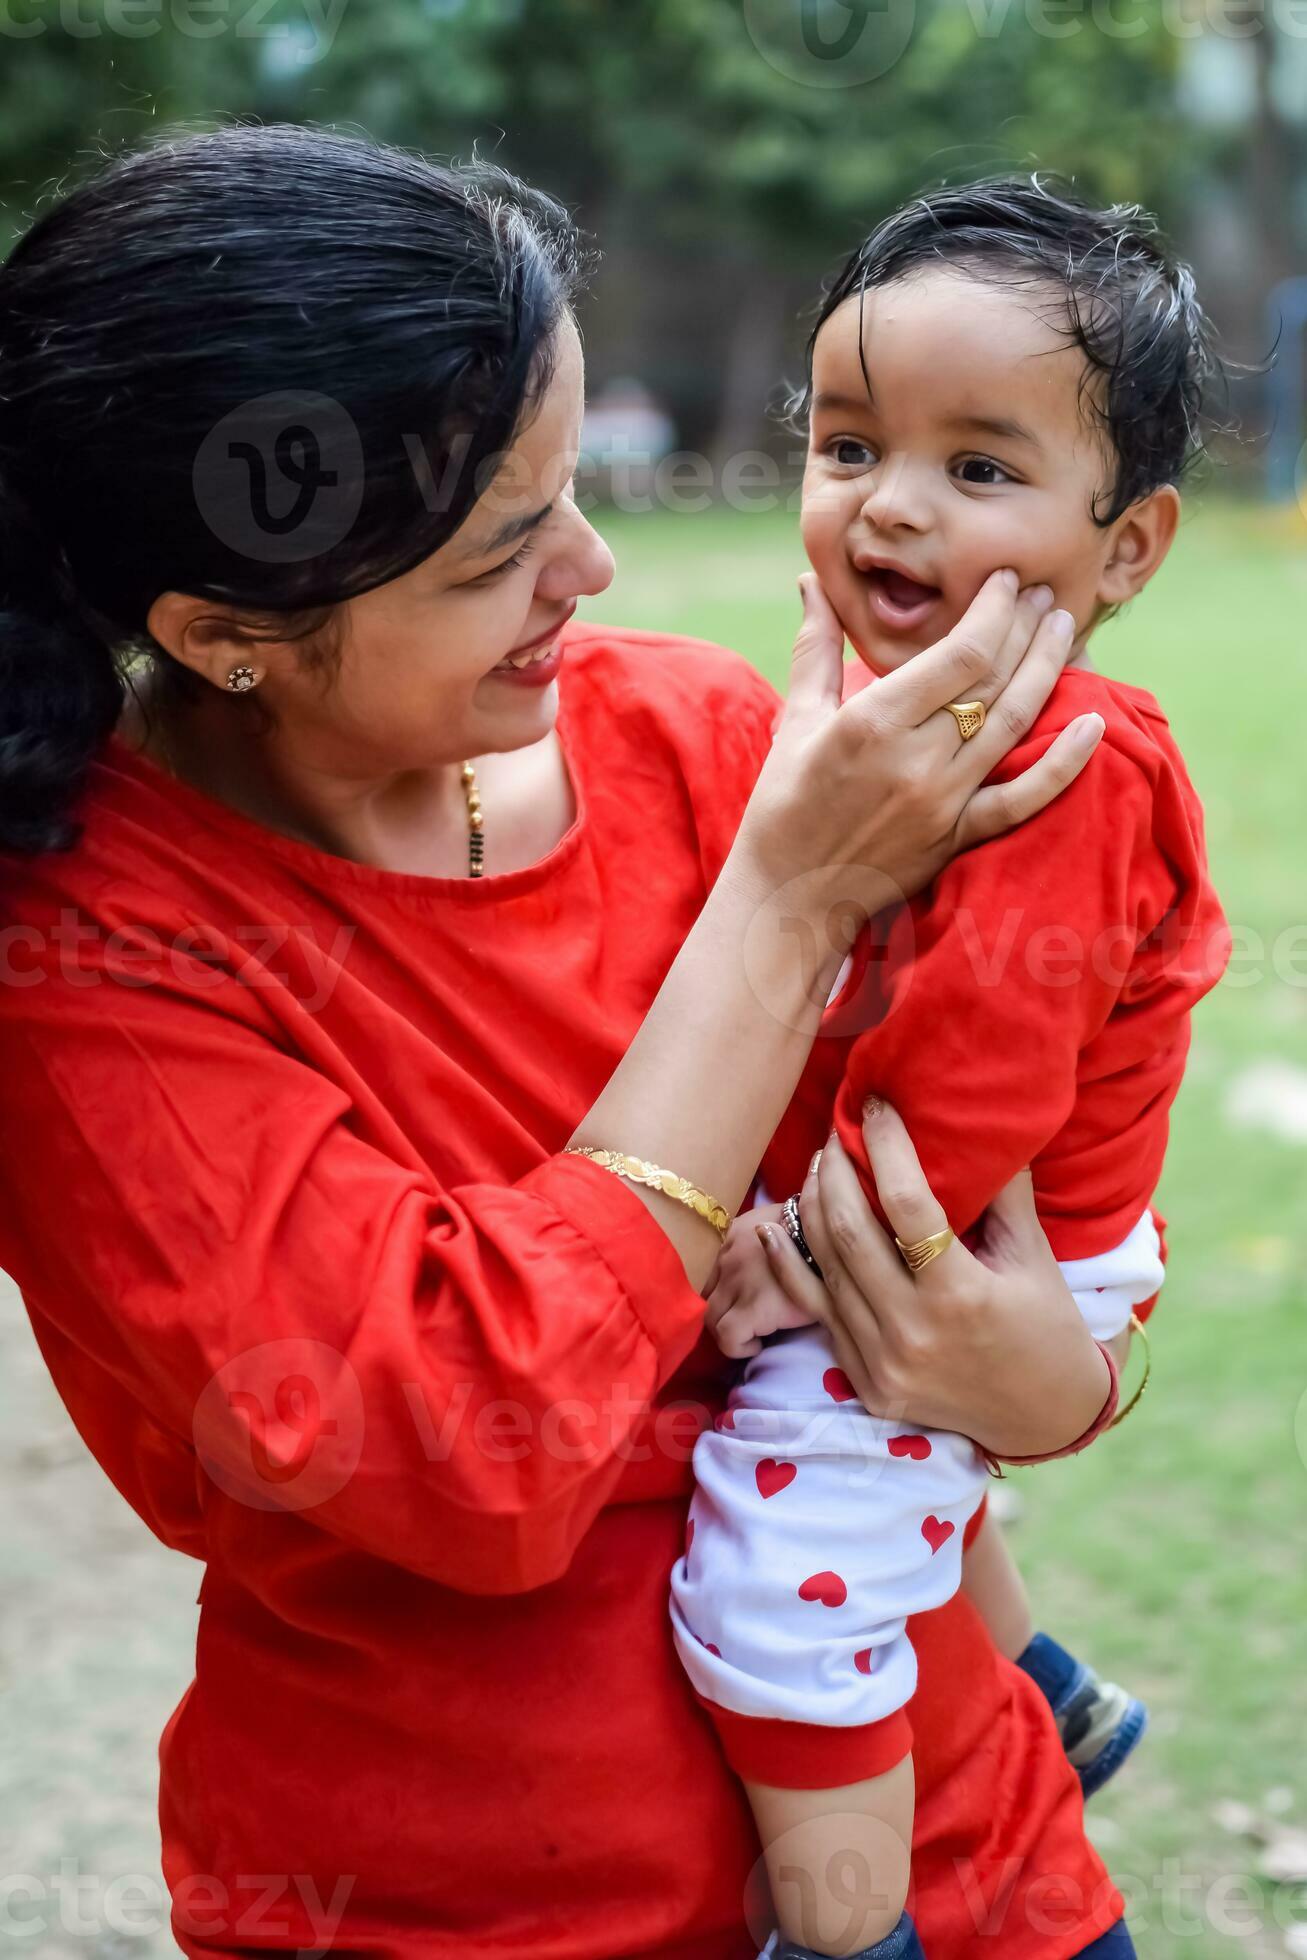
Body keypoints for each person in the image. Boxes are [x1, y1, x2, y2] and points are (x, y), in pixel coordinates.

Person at [0, 124, 1124, 1960]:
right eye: (502, 551)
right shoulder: (84, 955)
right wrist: (779, 914)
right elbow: (470, 1451)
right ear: (225, 636)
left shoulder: (695, 736)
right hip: (479, 1903)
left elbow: (977, 1196)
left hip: (962, 1846)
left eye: (572, 486)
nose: (596, 570)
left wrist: (1048, 1378)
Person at [669, 178, 1231, 1960]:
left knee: (779, 1569)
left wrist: (796, 1254)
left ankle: (845, 1933)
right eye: (850, 445)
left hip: (970, 1238)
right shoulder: (893, 714)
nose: (891, 504)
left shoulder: (1068, 759)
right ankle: (1042, 1684)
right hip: (924, 1203)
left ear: (1123, 548)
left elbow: (972, 1081)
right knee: (909, 1471)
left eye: (980, 470)